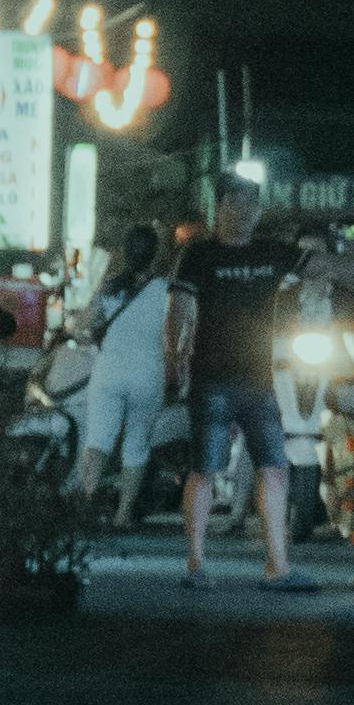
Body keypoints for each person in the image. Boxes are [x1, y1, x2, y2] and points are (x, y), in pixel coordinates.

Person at [170, 168, 304, 587]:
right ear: (218, 207)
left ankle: (278, 565)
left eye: (251, 204)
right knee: (205, 469)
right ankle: (196, 563)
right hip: (211, 378)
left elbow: (327, 266)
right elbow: (179, 307)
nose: (244, 211)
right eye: (235, 203)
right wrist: (175, 355)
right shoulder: (199, 254)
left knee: (275, 467)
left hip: (259, 380)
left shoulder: (272, 252)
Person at [71, 229, 177, 521]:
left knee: (97, 440)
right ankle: (123, 512)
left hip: (109, 372)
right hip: (148, 373)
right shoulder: (168, 289)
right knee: (137, 444)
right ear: (156, 255)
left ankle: (87, 501)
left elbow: (82, 327)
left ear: (125, 252)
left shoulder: (110, 286)